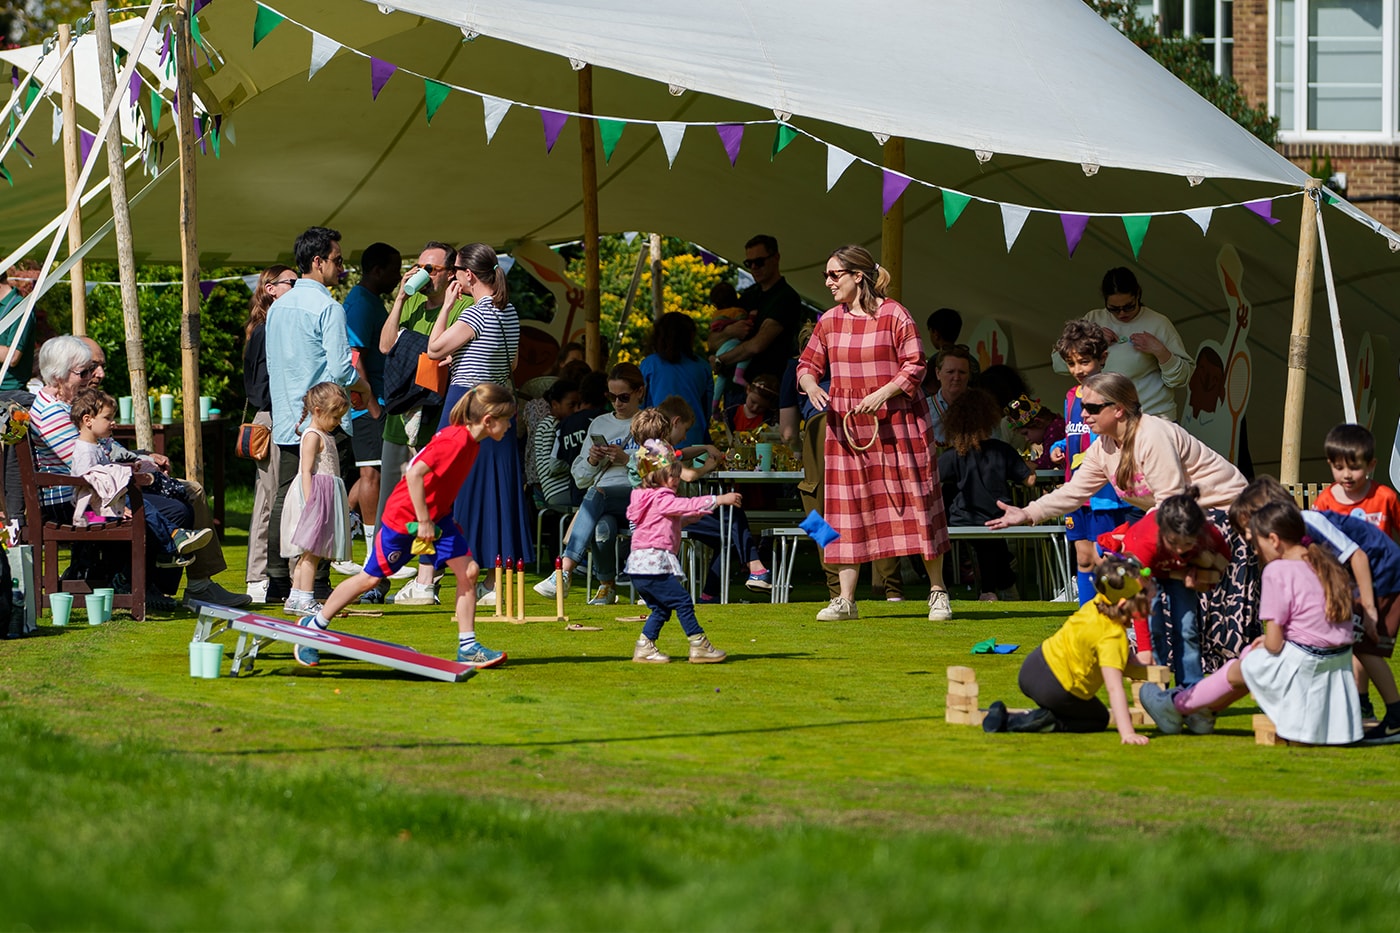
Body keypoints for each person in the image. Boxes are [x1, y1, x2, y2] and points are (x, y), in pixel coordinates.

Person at [990, 373, 1254, 674]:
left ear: (1118, 409)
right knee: (1158, 594)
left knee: (1184, 610)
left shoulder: (1152, 435)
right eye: (1081, 407)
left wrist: (1133, 540)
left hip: (1220, 517)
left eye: (1091, 408)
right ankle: (1160, 660)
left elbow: (1171, 501)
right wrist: (1027, 512)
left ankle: (1193, 678)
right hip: (1177, 522)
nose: (1083, 415)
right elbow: (1075, 491)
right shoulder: (1103, 448)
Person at [293, 384, 515, 670]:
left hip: (438, 519)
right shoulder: (455, 441)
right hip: (405, 519)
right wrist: (423, 520)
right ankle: (315, 626)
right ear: (489, 420)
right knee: (370, 579)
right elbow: (414, 473)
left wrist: (441, 516)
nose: (510, 425)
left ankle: (468, 646)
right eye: (507, 419)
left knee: (469, 572)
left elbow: (439, 484)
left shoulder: (472, 443)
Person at [29, 336, 248, 610]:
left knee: (187, 494)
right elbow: (88, 466)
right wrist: (138, 471)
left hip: (102, 489)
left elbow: (106, 447)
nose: (91, 378)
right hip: (80, 499)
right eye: (82, 372)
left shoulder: (67, 405)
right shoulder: (53, 413)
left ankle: (182, 584)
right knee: (181, 504)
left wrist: (142, 459)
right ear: (58, 376)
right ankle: (163, 586)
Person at [796, 244, 953, 623]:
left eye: (835, 275)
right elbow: (806, 364)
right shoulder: (829, 320)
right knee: (847, 510)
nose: (828, 282)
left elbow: (916, 366)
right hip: (847, 430)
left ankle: (938, 592)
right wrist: (813, 385)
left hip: (898, 425)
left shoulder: (894, 314)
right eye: (827, 276)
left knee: (916, 504)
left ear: (858, 276)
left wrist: (882, 393)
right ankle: (846, 600)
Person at [1140, 501, 1363, 745]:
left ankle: (1176, 705)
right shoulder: (1326, 563)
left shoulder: (1277, 571)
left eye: (1257, 545)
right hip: (1335, 660)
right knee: (1250, 656)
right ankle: (1204, 712)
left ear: (1274, 540)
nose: (1255, 552)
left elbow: (1275, 645)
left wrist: (1266, 644)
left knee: (1246, 664)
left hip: (1303, 662)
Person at [1229, 475, 1400, 738]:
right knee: (1354, 642)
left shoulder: (1310, 522)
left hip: (1382, 572)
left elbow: (1358, 555)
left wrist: (1368, 608)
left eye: (1249, 525)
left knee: (1367, 645)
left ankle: (1396, 713)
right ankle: (1362, 706)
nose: (1250, 535)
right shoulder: (1294, 540)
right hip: (1357, 578)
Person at [266, 226, 376, 613]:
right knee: (326, 497)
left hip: (286, 416)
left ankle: (279, 580)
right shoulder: (329, 307)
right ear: (318, 262)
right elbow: (340, 369)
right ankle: (318, 585)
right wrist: (365, 387)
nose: (342, 268)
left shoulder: (278, 306)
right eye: (338, 260)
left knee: (286, 493)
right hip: (323, 417)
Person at [427, 242, 529, 606]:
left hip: (467, 405)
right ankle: (493, 580)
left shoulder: (475, 313)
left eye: (455, 270)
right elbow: (512, 364)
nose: (453, 275)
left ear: (469, 275)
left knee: (450, 489)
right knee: (495, 493)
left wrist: (448, 308)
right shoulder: (510, 312)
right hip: (498, 406)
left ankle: (432, 576)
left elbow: (435, 348)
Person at [982, 555, 1153, 742]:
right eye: (1143, 597)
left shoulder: (1095, 604)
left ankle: (1016, 715)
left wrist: (1133, 661)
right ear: (1123, 604)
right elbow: (1114, 688)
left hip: (1032, 667)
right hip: (1055, 687)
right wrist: (1128, 733)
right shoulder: (1113, 636)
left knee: (1087, 709)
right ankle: (1023, 721)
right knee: (1098, 718)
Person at [376, 242, 464, 605]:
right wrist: (398, 299)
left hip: (434, 416)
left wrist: (444, 307)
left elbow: (448, 352)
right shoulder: (410, 302)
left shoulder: (463, 305)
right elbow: (384, 346)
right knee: (389, 507)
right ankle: (379, 579)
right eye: (420, 266)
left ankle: (428, 577)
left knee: (430, 505)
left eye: (433, 268)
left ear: (450, 273)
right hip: (399, 416)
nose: (425, 274)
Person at [632, 400, 770, 599]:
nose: (686, 436)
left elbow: (681, 453)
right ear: (673, 424)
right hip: (667, 518)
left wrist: (705, 447)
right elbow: (687, 475)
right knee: (733, 515)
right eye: (685, 430)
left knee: (730, 535)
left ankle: (710, 596)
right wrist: (707, 467)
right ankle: (756, 569)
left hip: (666, 514)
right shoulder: (657, 452)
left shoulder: (651, 450)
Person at [534, 363, 645, 605]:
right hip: (602, 498)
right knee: (602, 529)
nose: (617, 403)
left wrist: (627, 460)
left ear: (640, 392)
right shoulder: (599, 423)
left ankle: (564, 570)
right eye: (612, 397)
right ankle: (607, 586)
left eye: (624, 397)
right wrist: (593, 460)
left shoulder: (650, 422)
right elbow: (580, 477)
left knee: (598, 493)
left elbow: (663, 467)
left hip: (639, 494)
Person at [68, 387, 212, 566]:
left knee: (145, 506)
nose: (113, 423)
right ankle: (172, 544)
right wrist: (114, 510)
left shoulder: (95, 447)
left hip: (105, 507)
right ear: (87, 420)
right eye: (107, 418)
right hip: (90, 514)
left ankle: (173, 543)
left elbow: (104, 476)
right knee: (144, 508)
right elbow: (88, 490)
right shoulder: (84, 452)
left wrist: (125, 467)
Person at [1099, 488, 1229, 686]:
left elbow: (1222, 561)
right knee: (1154, 628)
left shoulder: (1207, 533)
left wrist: (1203, 581)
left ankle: (1190, 690)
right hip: (1147, 572)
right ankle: (1157, 688)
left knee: (1187, 628)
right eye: (1173, 543)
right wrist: (1144, 650)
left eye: (1186, 544)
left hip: (1181, 573)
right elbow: (1138, 599)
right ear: (1162, 530)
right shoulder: (1143, 543)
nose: (1178, 550)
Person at [626, 439, 734, 664]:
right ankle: (699, 644)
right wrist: (717, 500)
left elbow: (668, 521)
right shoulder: (662, 497)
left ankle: (644, 647)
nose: (676, 479)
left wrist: (692, 517)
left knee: (661, 608)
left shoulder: (644, 498)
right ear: (656, 477)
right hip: (653, 563)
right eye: (671, 474)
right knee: (683, 601)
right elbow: (682, 505)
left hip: (638, 567)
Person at [1049, 319, 1133, 606]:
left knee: (1107, 557)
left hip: (1105, 494)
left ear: (1103, 359)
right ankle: (1087, 618)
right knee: (1083, 558)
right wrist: (1059, 447)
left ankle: (1120, 617)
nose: (1077, 370)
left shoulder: (1115, 392)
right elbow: (1074, 434)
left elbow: (1128, 435)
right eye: (1071, 364)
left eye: (1084, 361)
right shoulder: (1071, 396)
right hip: (1077, 493)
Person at [1051, 267, 1193, 422]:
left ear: (1138, 294)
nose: (1122, 313)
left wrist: (1160, 351)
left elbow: (1182, 378)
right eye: (1113, 309)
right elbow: (1059, 365)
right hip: (1109, 421)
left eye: (1129, 306)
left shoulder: (1158, 323)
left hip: (1153, 418)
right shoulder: (1093, 319)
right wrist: (1094, 344)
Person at [340, 240, 402, 575]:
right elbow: (354, 357)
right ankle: (372, 551)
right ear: (376, 270)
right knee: (371, 474)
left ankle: (341, 534)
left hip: (376, 400)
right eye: (393, 270)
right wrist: (372, 404)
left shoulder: (372, 301)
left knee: (373, 473)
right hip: (367, 405)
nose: (398, 276)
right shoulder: (362, 304)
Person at [938, 388, 1035, 601]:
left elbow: (934, 479)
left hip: (963, 518)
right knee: (991, 543)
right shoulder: (1002, 450)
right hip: (1000, 516)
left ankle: (991, 590)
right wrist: (1030, 465)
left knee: (986, 544)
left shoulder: (953, 455)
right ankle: (1001, 586)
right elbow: (1030, 480)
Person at [242, 264, 297, 603]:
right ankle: (259, 575)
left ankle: (273, 573)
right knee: (269, 499)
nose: (297, 286)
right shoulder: (265, 330)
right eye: (291, 282)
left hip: (281, 416)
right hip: (272, 418)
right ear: (271, 288)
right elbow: (257, 385)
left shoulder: (272, 326)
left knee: (278, 496)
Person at [280, 383, 354, 616]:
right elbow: (305, 471)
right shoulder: (312, 436)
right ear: (318, 411)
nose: (338, 422)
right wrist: (311, 501)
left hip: (326, 494)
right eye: (334, 417)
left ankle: (295, 597)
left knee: (310, 552)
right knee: (312, 552)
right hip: (317, 496)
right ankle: (306, 598)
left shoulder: (324, 434)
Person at [711, 235, 807, 406]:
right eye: (749, 263)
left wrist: (721, 359)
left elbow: (757, 345)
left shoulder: (786, 297)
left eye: (759, 261)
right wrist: (730, 331)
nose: (754, 267)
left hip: (765, 393)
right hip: (734, 391)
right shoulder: (747, 295)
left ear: (776, 258)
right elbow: (712, 340)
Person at [0, 262, 40, 522]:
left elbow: (12, 356)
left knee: (18, 428)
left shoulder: (19, 308)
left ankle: (14, 518)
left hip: (9, 393)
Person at [1312, 423, 1400, 539]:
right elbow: (1313, 538)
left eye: (1354, 468)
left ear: (1370, 465)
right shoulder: (1325, 501)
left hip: (1379, 557)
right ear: (1331, 464)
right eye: (1339, 468)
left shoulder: (1386, 497)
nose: (1347, 475)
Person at [640, 311, 713, 448]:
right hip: (694, 440)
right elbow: (706, 410)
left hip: (657, 442)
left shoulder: (649, 365)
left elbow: (640, 406)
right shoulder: (703, 367)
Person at [529, 378, 581, 513]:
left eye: (579, 404)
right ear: (555, 404)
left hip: (556, 492)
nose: (576, 409)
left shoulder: (547, 424)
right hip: (560, 490)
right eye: (571, 405)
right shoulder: (552, 426)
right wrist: (578, 461)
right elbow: (551, 468)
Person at [707, 281, 751, 407]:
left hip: (721, 349)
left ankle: (714, 408)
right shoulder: (737, 311)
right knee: (746, 353)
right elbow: (746, 324)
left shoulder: (716, 315)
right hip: (733, 345)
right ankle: (739, 375)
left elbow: (711, 338)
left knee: (720, 380)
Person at [926, 345, 972, 450]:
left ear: (969, 375)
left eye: (962, 372)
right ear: (938, 373)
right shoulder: (923, 409)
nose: (956, 378)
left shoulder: (983, 409)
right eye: (950, 372)